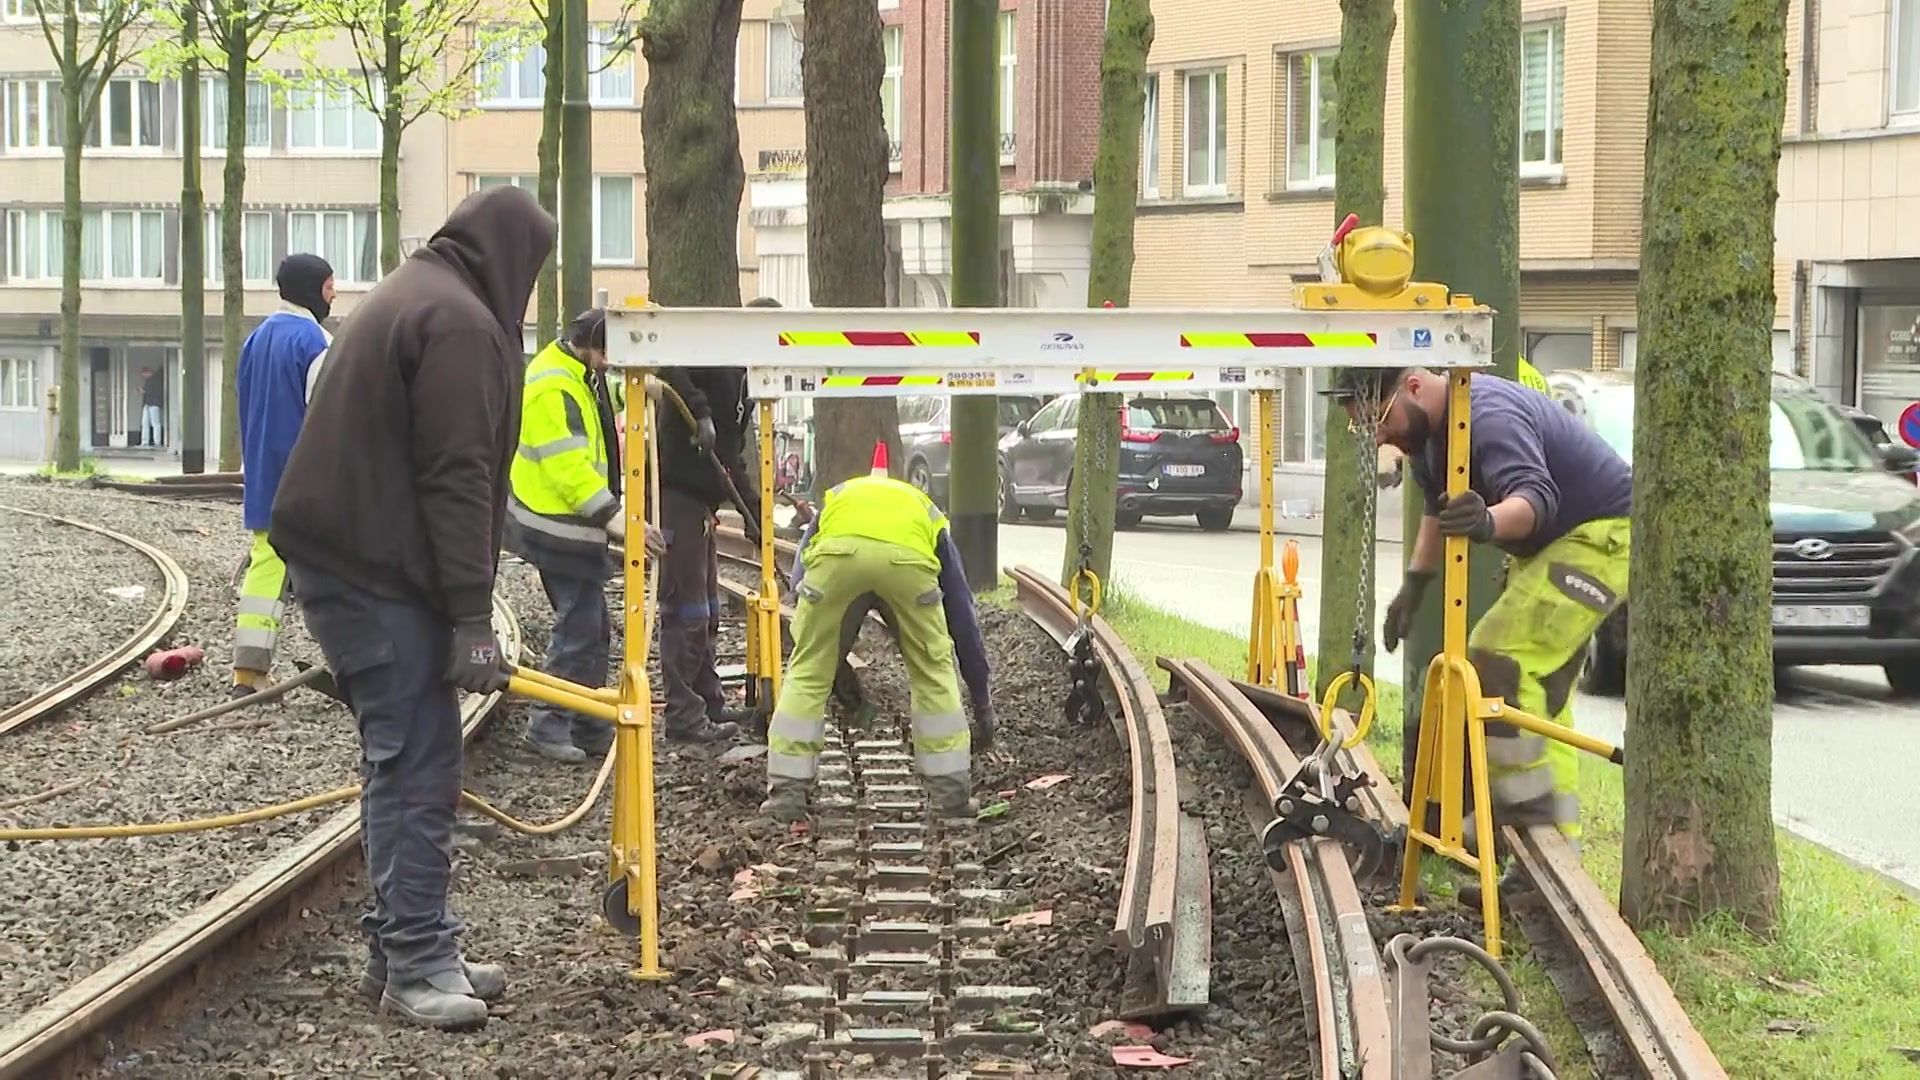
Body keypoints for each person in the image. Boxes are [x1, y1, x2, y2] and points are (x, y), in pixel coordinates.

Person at [269, 185, 555, 1031]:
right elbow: (456, 476)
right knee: (420, 757)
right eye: (534, 273)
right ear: (512, 258)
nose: (531, 293)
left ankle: (403, 948)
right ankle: (417, 963)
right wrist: (471, 616)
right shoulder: (462, 325)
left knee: (405, 755)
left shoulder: (418, 292)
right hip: (368, 569)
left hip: (355, 557)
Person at [1331, 364, 1631, 883]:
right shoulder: (1428, 439)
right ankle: (1508, 837)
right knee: (1535, 692)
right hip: (1554, 547)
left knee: (1502, 663)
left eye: (1381, 419)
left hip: (1601, 535)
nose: (1382, 436)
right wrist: (1414, 588)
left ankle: (1544, 850)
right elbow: (1434, 511)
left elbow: (1535, 499)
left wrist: (1489, 521)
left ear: (1416, 386)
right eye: (1369, 429)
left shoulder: (1488, 416)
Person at [763, 444, 992, 824]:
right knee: (933, 671)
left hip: (836, 562)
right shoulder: (924, 511)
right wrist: (981, 698)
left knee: (806, 672)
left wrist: (821, 636)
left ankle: (786, 794)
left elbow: (800, 580)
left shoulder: (838, 499)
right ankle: (951, 796)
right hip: (908, 566)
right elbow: (961, 614)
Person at [506, 308, 664, 763]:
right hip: (558, 526)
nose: (609, 364)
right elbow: (568, 466)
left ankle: (587, 720)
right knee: (579, 628)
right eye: (608, 355)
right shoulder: (552, 387)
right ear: (593, 345)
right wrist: (614, 516)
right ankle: (549, 724)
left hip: (570, 527)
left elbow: (594, 400)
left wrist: (628, 391)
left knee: (593, 628)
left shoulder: (572, 372)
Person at [652, 297, 780, 743]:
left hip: (701, 502)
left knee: (705, 610)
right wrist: (699, 411)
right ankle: (684, 714)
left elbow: (729, 457)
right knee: (684, 609)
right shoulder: (716, 356)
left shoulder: (746, 381)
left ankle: (708, 702)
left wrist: (754, 515)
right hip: (678, 496)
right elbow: (666, 359)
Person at [230, 254, 335, 700]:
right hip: (307, 483)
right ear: (315, 289)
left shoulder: (256, 338)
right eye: (331, 287)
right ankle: (349, 665)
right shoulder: (317, 342)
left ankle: (248, 673)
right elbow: (328, 416)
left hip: (263, 478)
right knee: (334, 575)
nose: (334, 295)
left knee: (265, 571)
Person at [140, 366, 164, 447]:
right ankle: (145, 442)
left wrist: (143, 391)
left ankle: (156, 442)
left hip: (153, 404)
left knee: (155, 423)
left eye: (144, 374)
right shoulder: (149, 381)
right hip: (149, 404)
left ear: (148, 373)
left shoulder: (154, 381)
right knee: (145, 423)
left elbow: (152, 392)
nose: (143, 376)